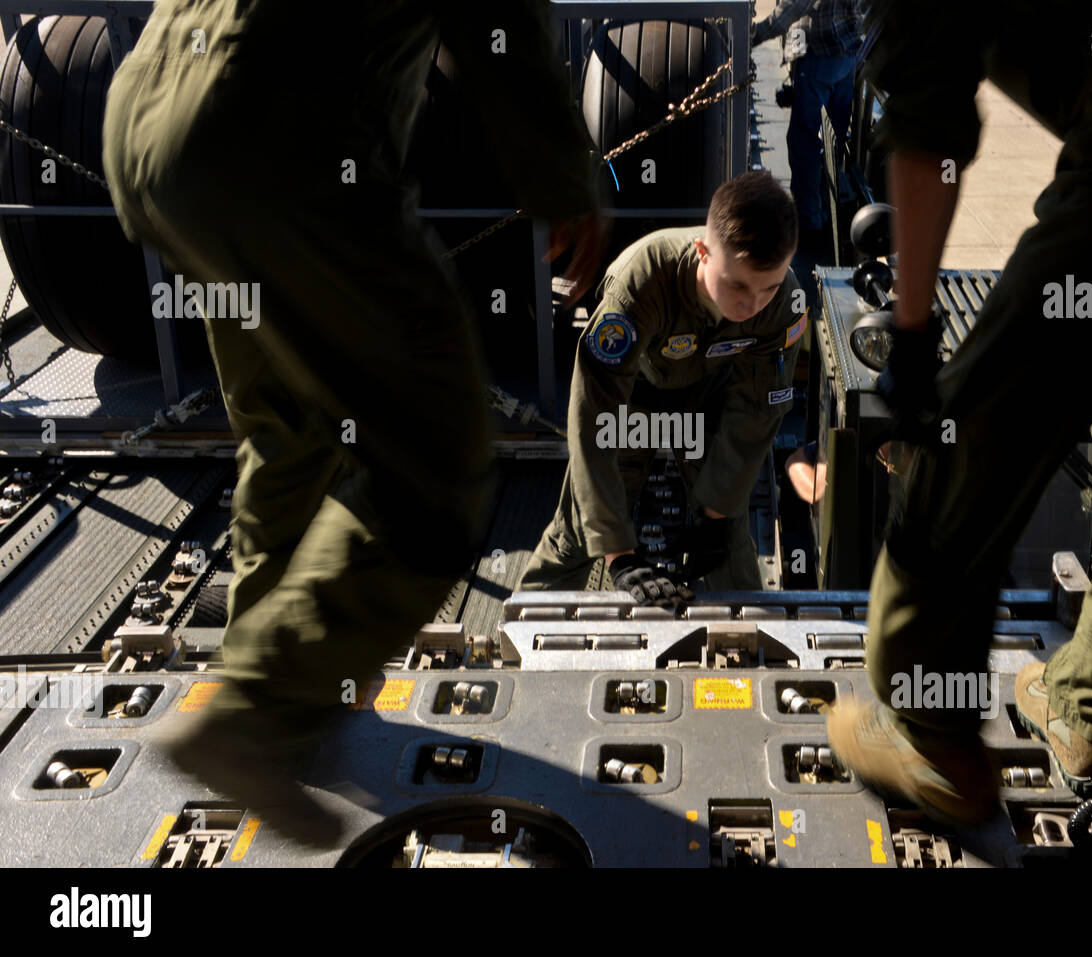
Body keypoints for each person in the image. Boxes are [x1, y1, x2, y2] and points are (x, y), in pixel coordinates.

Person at [101, 0, 606, 846]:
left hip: (149, 125)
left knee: (288, 430)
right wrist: (562, 182)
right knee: (436, 455)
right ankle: (260, 711)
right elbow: (498, 23)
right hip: (277, 145)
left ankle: (267, 706)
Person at [823, 0, 1092, 825]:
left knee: (978, 420)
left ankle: (928, 733)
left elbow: (929, 125)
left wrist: (916, 343)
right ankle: (1091, 708)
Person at [519, 171, 806, 603]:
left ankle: (752, 639)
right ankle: (525, 622)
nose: (752, 305)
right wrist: (619, 554)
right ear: (703, 252)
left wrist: (714, 513)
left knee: (727, 539)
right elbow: (591, 416)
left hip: (709, 397)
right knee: (581, 527)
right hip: (632, 397)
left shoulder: (784, 302)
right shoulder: (642, 283)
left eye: (768, 286)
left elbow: (757, 411)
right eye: (738, 285)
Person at [751, 0, 871, 255]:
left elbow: (794, 6)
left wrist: (754, 35)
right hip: (846, 57)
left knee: (804, 142)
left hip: (819, 58)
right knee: (832, 142)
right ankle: (827, 211)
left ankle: (808, 224)